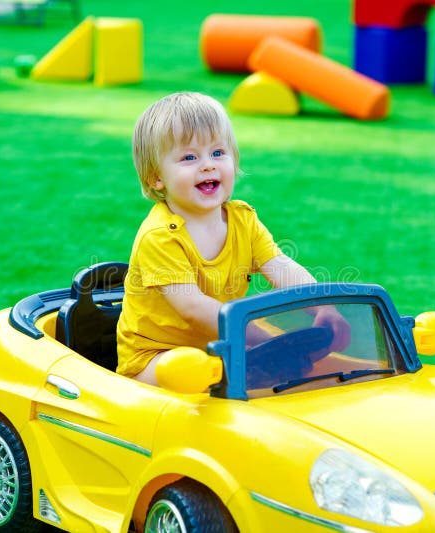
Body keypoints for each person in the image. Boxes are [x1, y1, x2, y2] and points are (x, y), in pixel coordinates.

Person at [116, 92, 348, 385]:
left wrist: (324, 305)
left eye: (218, 153)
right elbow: (192, 307)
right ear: (156, 178)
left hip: (222, 340)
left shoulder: (242, 220)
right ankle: (242, 369)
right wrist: (253, 338)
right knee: (187, 371)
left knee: (284, 360)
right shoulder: (160, 236)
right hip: (156, 357)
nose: (208, 165)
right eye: (189, 157)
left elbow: (281, 267)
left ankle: (246, 368)